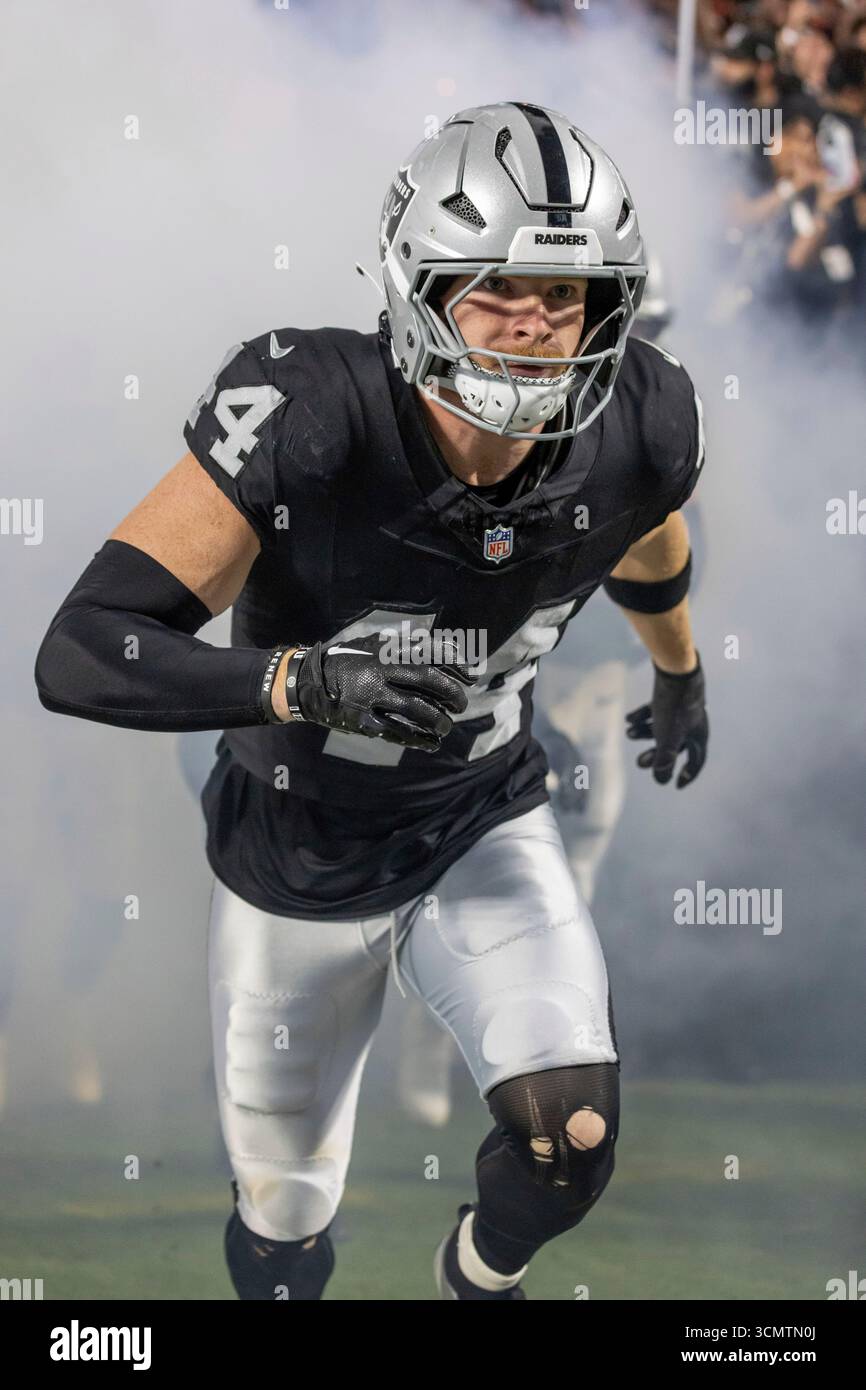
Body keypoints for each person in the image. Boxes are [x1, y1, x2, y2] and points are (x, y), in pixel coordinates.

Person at [35, 101, 709, 1301]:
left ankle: (473, 1280)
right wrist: (297, 678)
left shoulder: (641, 419)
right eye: (494, 289)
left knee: (573, 1142)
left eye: (565, 298)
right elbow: (83, 648)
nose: (534, 328)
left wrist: (679, 669)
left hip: (478, 817)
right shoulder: (313, 407)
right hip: (295, 848)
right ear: (417, 285)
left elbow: (644, 536)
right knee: (287, 1224)